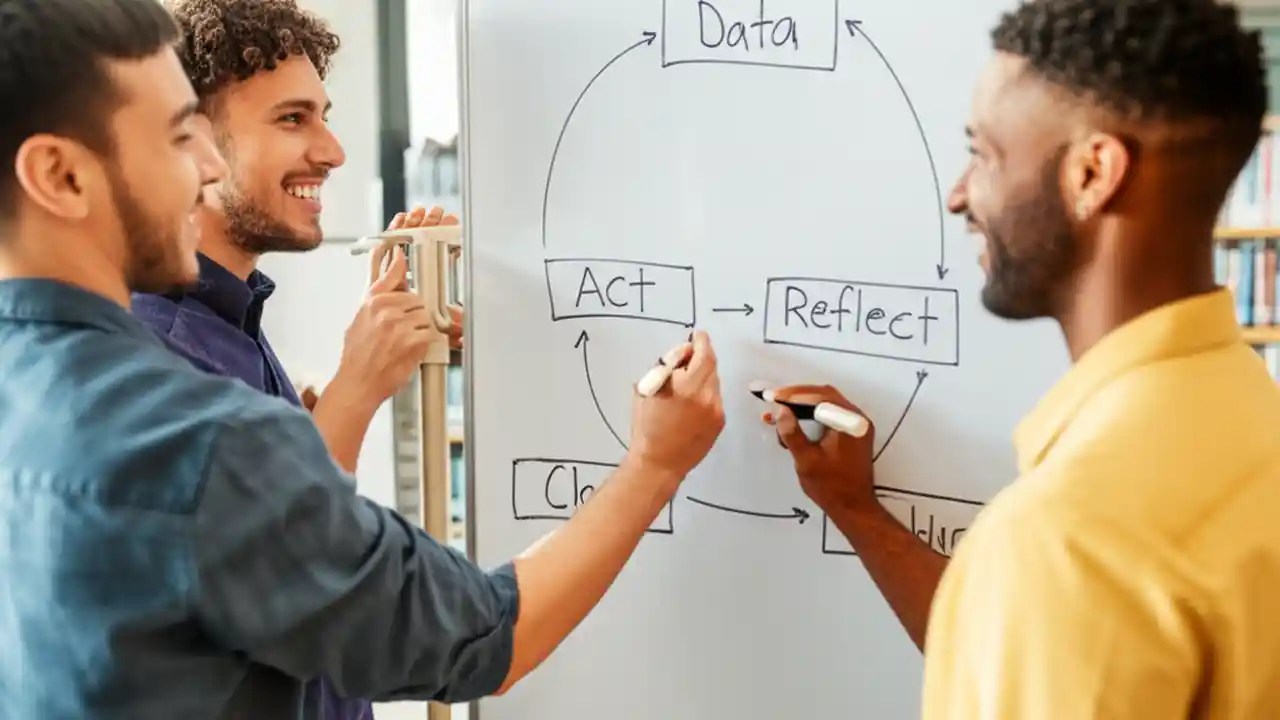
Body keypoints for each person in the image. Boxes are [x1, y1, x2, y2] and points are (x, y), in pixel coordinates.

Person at [0, 3, 726, 719]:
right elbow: (479, 637)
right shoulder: (198, 434)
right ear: (61, 176)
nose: (206, 164)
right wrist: (654, 466)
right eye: (176, 135)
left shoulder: (73, 378)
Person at [766, 0, 1280, 715]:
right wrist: (856, 508)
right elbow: (1039, 635)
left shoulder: (1067, 538)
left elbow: (1058, 594)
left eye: (983, 153)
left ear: (1091, 173)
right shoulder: (1248, 413)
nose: (957, 194)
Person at [130, 5, 449, 713]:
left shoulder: (233, 318)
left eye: (323, 115)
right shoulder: (150, 352)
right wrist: (357, 389)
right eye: (292, 119)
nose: (333, 150)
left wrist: (378, 348)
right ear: (194, 145)